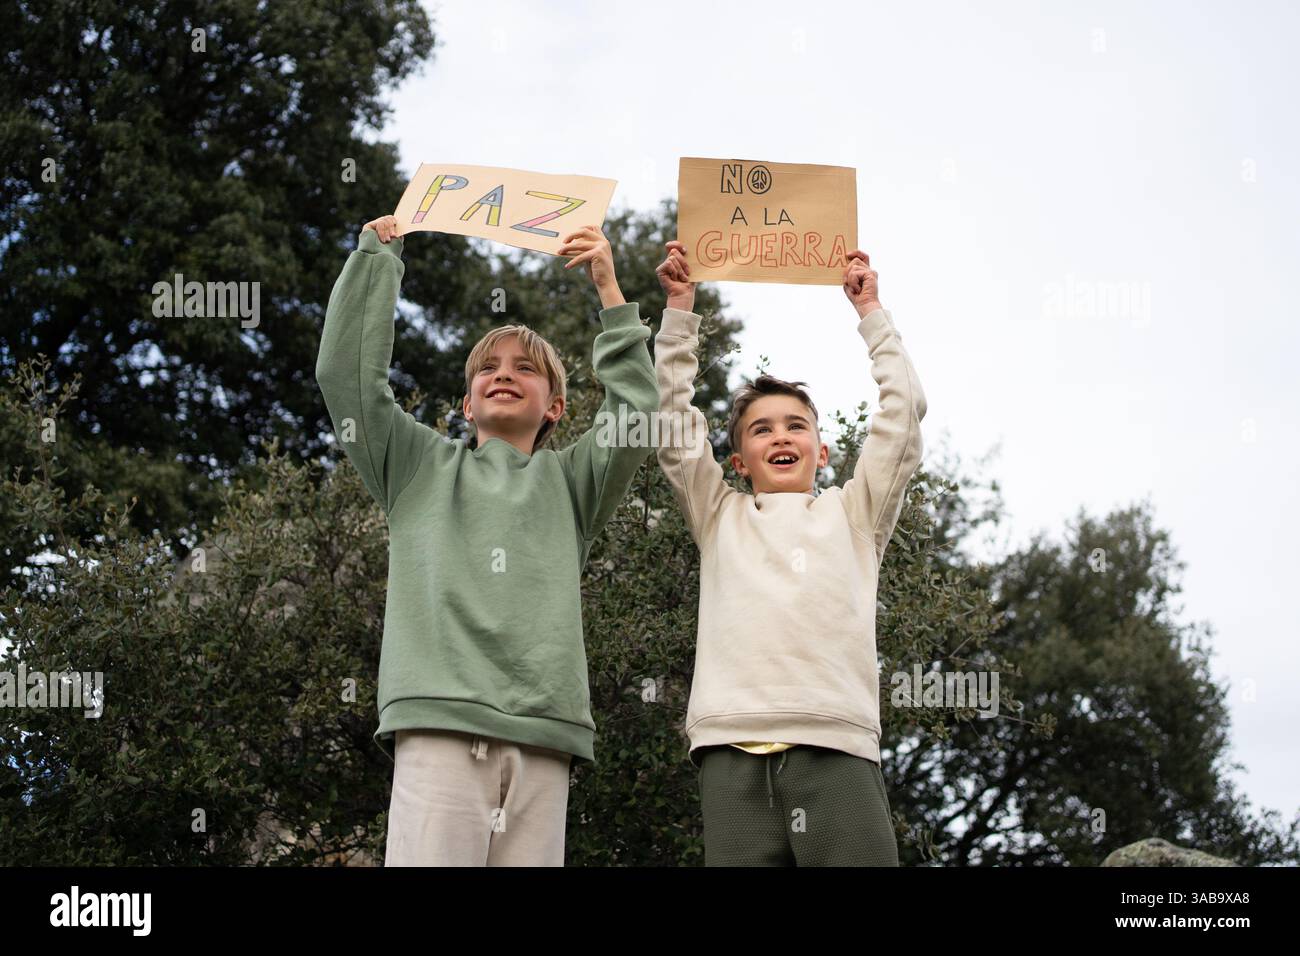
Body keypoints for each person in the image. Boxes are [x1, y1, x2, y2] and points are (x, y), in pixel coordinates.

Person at [315, 214, 658, 865]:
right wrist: (378, 261)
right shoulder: (414, 466)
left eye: (526, 368)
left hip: (544, 741)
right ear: (467, 404)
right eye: (487, 368)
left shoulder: (574, 484)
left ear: (555, 406)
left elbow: (635, 412)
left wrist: (609, 288)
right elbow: (349, 382)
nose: (504, 373)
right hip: (440, 729)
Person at [653, 240, 927, 865]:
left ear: (822, 451)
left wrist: (871, 313)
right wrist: (679, 311)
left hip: (834, 743)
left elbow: (904, 416)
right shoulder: (719, 514)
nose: (781, 435)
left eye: (796, 425)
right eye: (761, 429)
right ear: (737, 460)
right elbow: (672, 424)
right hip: (729, 750)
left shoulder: (856, 513)